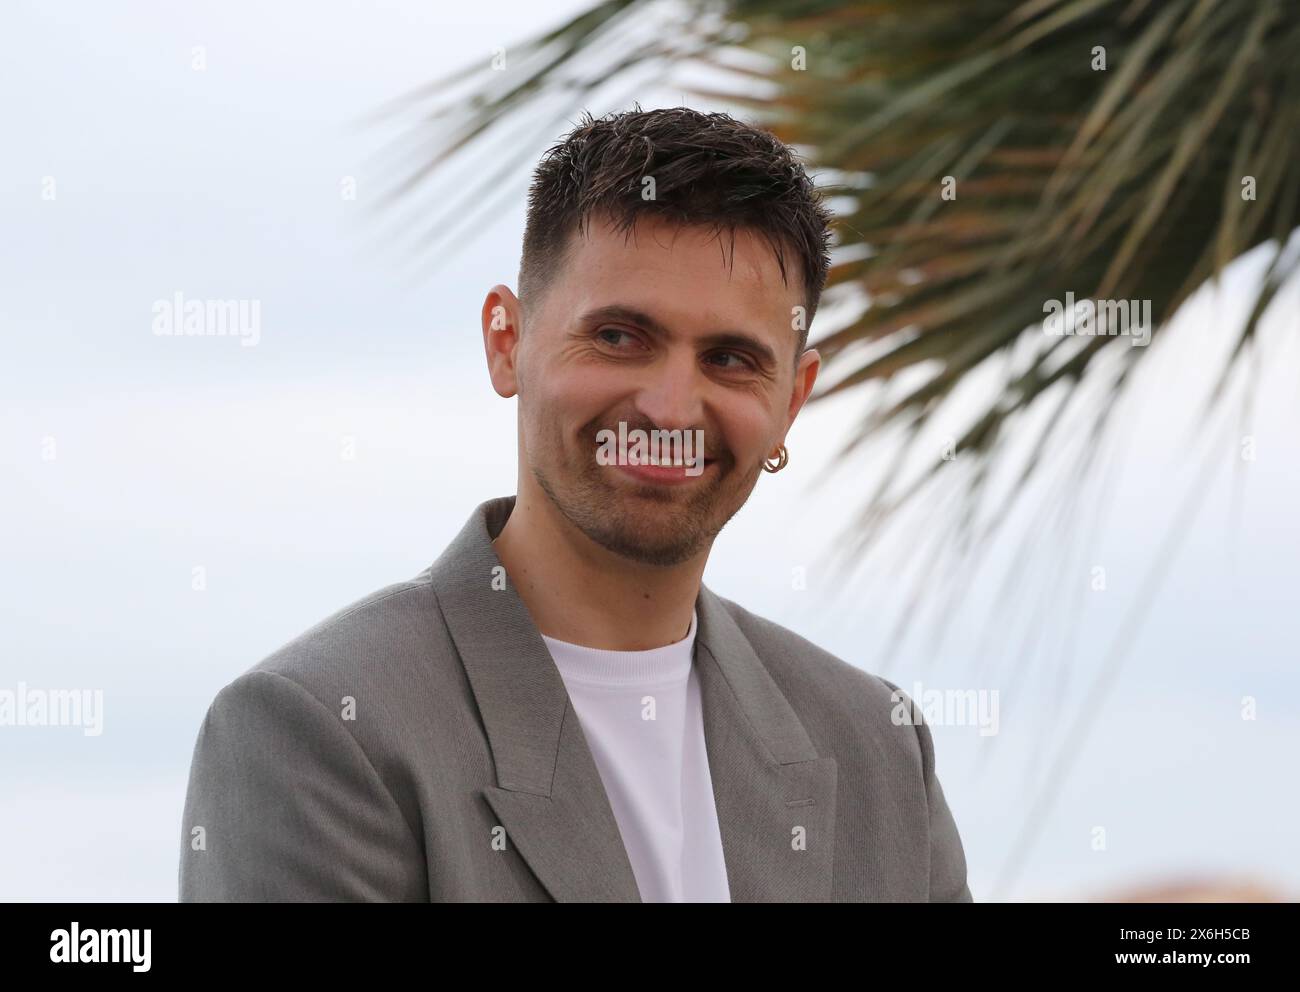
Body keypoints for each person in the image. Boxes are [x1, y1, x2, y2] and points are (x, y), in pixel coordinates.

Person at [179, 106, 973, 902]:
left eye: (729, 359)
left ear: (791, 402)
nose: (669, 409)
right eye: (621, 337)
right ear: (506, 342)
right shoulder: (319, 731)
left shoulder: (879, 746)